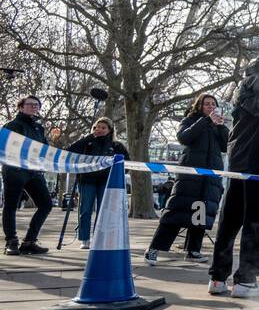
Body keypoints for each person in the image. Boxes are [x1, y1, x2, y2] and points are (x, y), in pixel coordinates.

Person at [207, 44, 259, 298]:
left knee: (230, 219)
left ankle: (218, 278)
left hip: (239, 157)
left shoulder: (247, 80)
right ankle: (246, 280)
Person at [145, 93, 228, 265]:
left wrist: (221, 127)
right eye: (207, 104)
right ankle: (154, 248)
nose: (211, 107)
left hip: (210, 176)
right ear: (199, 106)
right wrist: (205, 121)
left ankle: (193, 250)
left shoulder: (216, 125)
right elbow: (184, 137)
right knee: (176, 212)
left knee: (201, 214)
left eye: (213, 104)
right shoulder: (190, 120)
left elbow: (226, 145)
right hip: (190, 175)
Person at [2, 95, 55, 255]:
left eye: (37, 105)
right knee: (11, 206)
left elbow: (44, 149)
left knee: (46, 204)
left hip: (34, 171)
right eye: (30, 104)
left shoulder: (39, 128)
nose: (34, 107)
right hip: (15, 170)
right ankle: (11, 242)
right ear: (21, 107)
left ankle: (29, 241)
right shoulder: (12, 125)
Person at [67, 117, 130, 248]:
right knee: (85, 210)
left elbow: (126, 165)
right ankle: (84, 238)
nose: (99, 130)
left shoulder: (117, 146)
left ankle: (98, 238)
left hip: (106, 183)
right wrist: (88, 138)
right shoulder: (87, 142)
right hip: (87, 181)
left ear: (110, 130)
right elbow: (71, 150)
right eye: (97, 127)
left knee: (103, 211)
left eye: (103, 127)